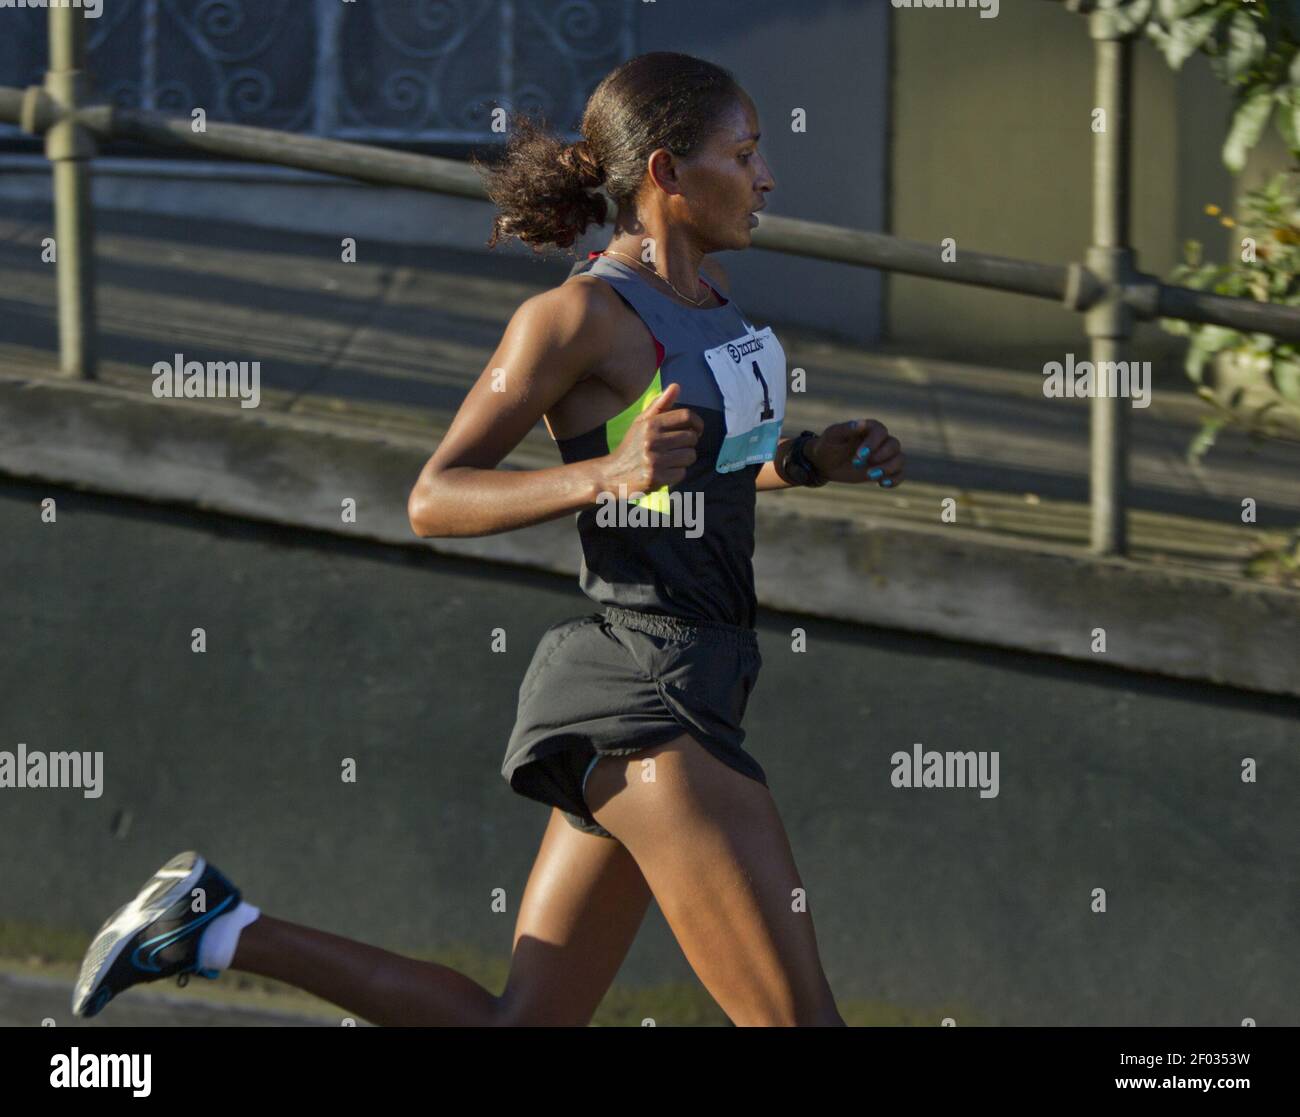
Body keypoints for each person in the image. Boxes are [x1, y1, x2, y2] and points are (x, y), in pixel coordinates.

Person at [71, 51, 905, 1027]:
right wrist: (606, 471)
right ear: (667, 174)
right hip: (652, 697)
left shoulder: (718, 306)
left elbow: (712, 470)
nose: (766, 178)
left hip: (700, 682)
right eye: (746, 153)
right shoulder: (577, 319)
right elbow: (436, 496)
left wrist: (809, 458)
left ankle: (211, 927)